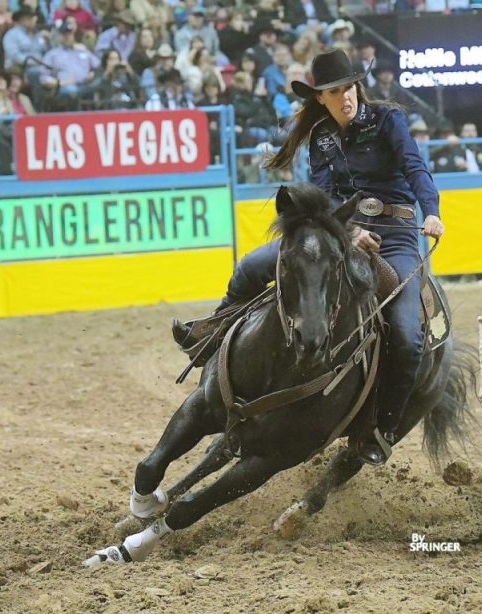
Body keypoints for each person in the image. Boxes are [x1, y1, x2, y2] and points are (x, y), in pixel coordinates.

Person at [175, 49, 444, 466]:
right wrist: (349, 231)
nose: (346, 97)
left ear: (358, 87)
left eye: (350, 87)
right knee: (251, 267)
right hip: (341, 232)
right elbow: (324, 196)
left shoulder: (388, 120)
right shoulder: (320, 137)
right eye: (335, 91)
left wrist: (432, 211)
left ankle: (383, 427)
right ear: (320, 98)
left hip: (396, 237)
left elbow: (415, 168)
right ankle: (213, 331)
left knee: (407, 333)